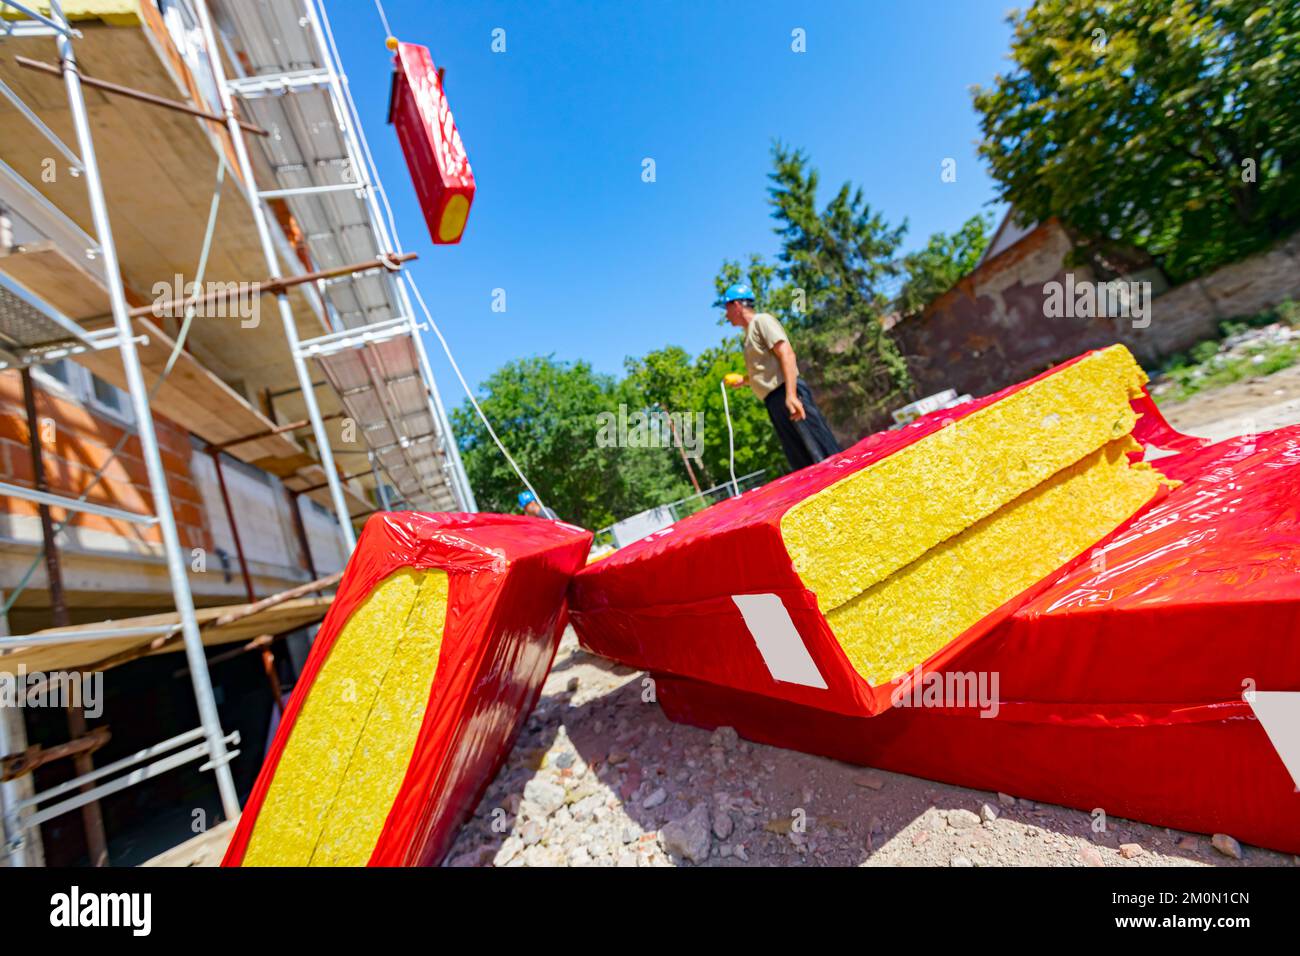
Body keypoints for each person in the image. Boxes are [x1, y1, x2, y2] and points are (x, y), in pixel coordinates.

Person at [722, 282, 842, 470]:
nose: (725, 315)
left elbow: (786, 353)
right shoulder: (748, 335)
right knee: (803, 461)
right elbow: (766, 368)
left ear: (736, 305)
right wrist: (744, 380)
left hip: (787, 393)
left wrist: (792, 395)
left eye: (726, 308)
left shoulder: (762, 321)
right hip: (774, 401)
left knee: (820, 453)